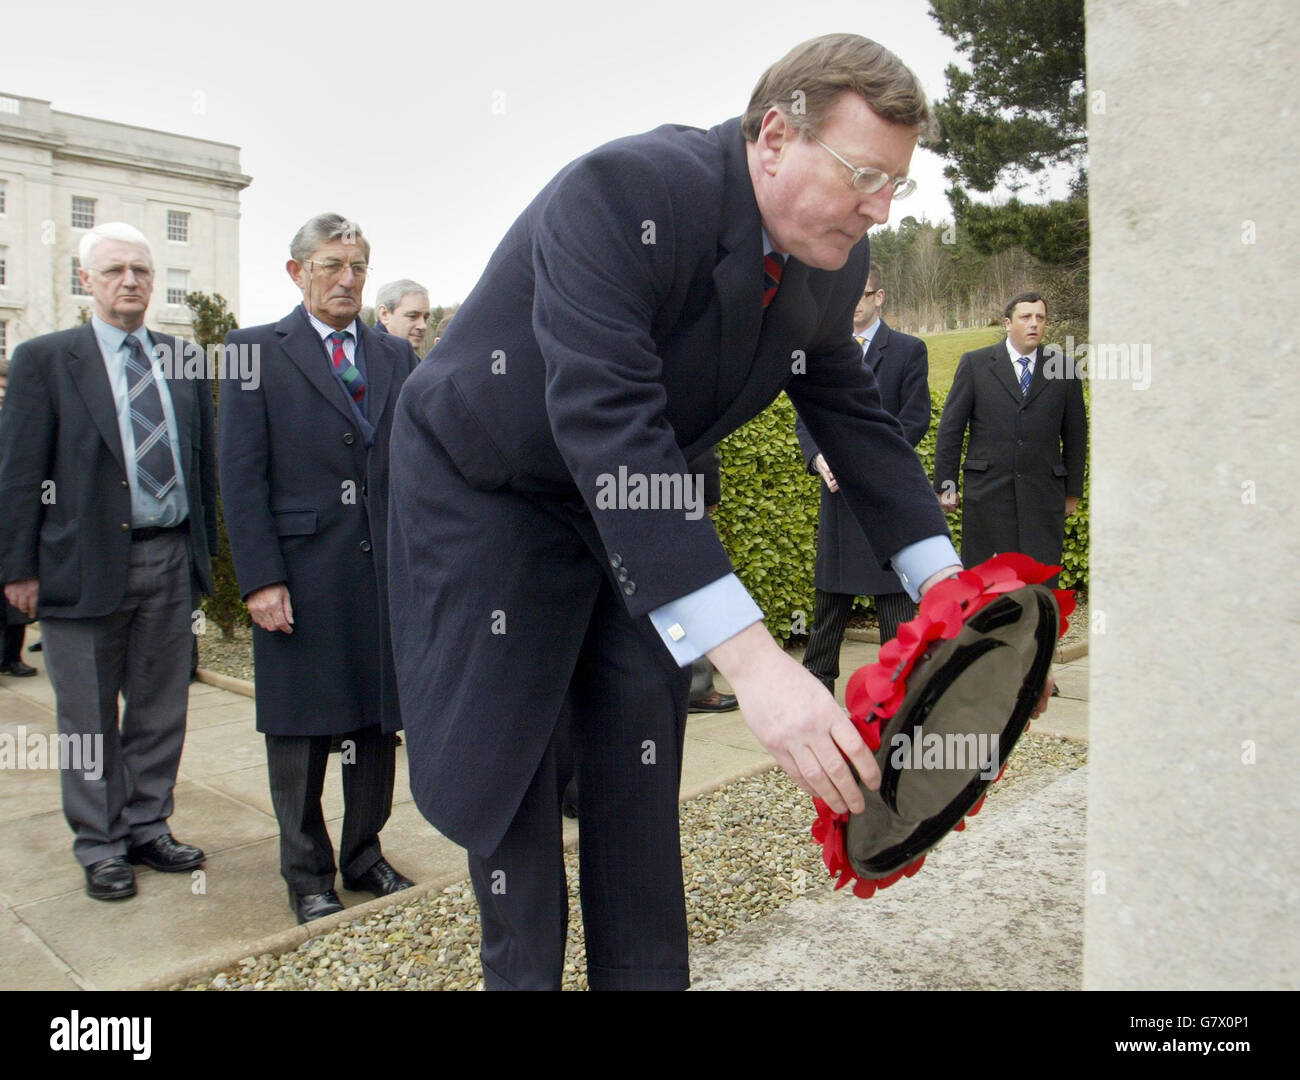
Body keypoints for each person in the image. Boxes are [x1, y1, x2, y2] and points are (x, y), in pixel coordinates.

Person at [388, 34, 1050, 990]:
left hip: (642, 500)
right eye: (865, 175)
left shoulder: (830, 248)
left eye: (895, 185)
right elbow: (607, 422)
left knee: (638, 761)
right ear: (774, 135)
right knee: (511, 781)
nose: (880, 209)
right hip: (493, 487)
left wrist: (948, 590)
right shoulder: (620, 196)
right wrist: (751, 660)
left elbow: (854, 418)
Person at [0, 222, 216, 901]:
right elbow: (18, 472)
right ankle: (99, 844)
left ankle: (148, 825)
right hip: (81, 565)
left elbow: (201, 465)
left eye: (142, 271)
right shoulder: (44, 359)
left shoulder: (183, 360)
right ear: (87, 281)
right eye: (116, 270)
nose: (131, 281)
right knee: (87, 719)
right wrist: (18, 568)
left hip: (168, 557)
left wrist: (203, 559)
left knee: (160, 708)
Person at [219, 213, 418, 924]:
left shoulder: (394, 357)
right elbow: (240, 478)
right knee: (301, 732)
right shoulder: (253, 352)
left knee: (374, 727)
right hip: (298, 575)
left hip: (380, 575)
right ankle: (307, 873)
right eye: (332, 265)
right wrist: (259, 578)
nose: (347, 279)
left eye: (358, 266)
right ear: (297, 270)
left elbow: (413, 465)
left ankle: (364, 854)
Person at [795, 264, 930, 692]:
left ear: (879, 297)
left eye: (863, 292)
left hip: (885, 498)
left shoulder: (909, 350)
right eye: (847, 292)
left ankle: (901, 700)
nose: (853, 301)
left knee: (896, 613)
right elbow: (806, 419)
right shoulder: (825, 350)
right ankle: (817, 693)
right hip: (838, 501)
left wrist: (865, 464)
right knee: (828, 614)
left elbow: (915, 418)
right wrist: (819, 458)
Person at [933, 292, 1087, 584]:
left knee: (1038, 587)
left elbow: (1076, 436)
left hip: (1043, 497)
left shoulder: (1065, 369)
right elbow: (951, 429)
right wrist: (946, 485)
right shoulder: (975, 365)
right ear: (1007, 323)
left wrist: (1072, 492)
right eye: (1025, 317)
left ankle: (1037, 631)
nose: (1034, 324)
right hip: (988, 496)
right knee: (987, 587)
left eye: (1040, 318)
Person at [374, 279, 431, 355]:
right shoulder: (364, 358)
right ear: (384, 314)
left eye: (425, 318)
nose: (423, 326)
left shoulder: (408, 359)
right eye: (413, 316)